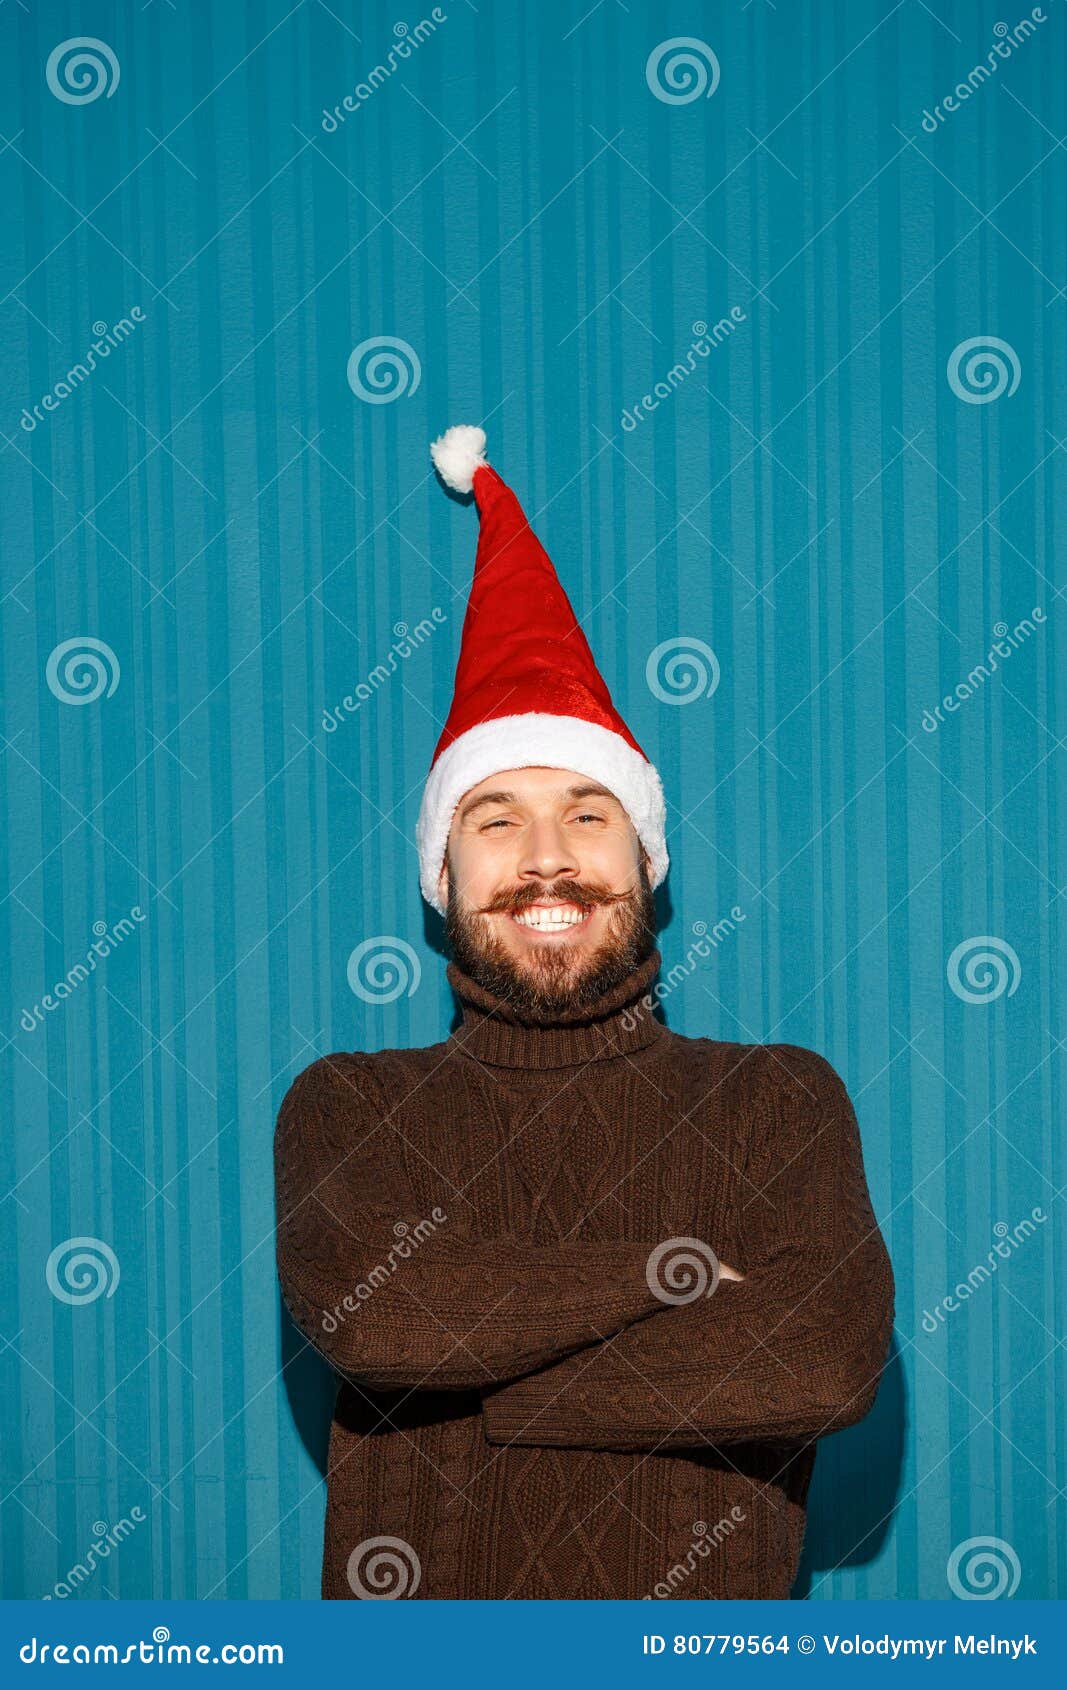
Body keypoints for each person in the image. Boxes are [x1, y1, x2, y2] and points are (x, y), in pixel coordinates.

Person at [273, 425, 894, 1600]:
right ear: (443, 875)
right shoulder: (351, 1101)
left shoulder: (774, 1096)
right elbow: (379, 1322)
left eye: (588, 815)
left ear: (648, 861)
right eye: (495, 818)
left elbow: (817, 1359)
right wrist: (690, 1271)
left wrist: (485, 1389)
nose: (545, 861)